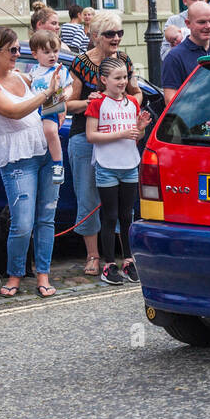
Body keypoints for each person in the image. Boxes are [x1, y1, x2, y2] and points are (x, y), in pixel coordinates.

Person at [0, 26, 62, 298]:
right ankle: (14, 275)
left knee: (46, 218)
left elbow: (53, 101)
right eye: (12, 49)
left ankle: (43, 275)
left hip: (45, 150)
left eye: (18, 48)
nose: (18, 53)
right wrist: (47, 93)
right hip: (16, 157)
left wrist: (57, 105)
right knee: (22, 222)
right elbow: (13, 112)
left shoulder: (22, 76)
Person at [66, 10, 141, 277]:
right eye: (110, 33)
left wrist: (129, 108)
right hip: (86, 136)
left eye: (119, 33)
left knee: (120, 202)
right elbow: (69, 104)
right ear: (95, 36)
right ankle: (93, 255)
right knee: (88, 195)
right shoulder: (81, 63)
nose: (116, 38)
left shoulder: (124, 61)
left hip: (120, 138)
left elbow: (136, 92)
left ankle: (123, 256)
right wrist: (94, 103)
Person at [86, 57, 152, 285]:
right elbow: (91, 135)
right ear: (104, 80)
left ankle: (128, 260)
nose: (123, 82)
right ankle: (109, 264)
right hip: (106, 166)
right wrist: (121, 134)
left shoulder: (133, 102)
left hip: (129, 165)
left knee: (127, 216)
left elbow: (136, 136)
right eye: (117, 78)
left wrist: (140, 128)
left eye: (125, 77)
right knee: (110, 216)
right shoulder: (97, 103)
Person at [26, 28, 73, 185]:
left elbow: (69, 86)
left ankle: (58, 164)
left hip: (52, 102)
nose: (52, 55)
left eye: (55, 51)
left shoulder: (60, 69)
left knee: (50, 131)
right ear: (35, 54)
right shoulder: (34, 70)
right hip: (35, 105)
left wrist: (66, 94)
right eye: (46, 52)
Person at [163, 1, 210, 104]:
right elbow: (170, 99)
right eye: (202, 22)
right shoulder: (174, 57)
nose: (208, 26)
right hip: (193, 118)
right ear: (188, 24)